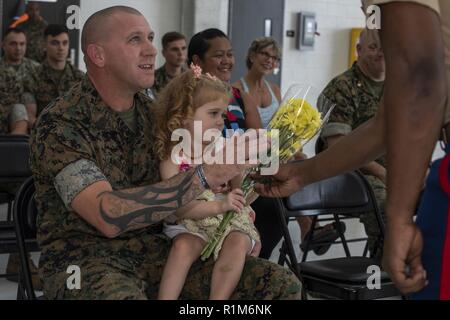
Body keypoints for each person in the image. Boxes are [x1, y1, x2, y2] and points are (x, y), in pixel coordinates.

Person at [29, 6, 301, 299]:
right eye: (135, 40)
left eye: (150, 38)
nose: (150, 50)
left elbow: (213, 170)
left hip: (160, 251)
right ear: (98, 55)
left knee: (279, 285)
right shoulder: (62, 122)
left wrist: (253, 179)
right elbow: (106, 215)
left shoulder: (157, 115)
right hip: (88, 262)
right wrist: (206, 175)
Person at [256, 0, 448, 299]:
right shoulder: (344, 85)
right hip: (373, 173)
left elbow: (418, 81)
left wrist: (400, 217)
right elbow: (387, 125)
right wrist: (300, 173)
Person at [154, 68, 260, 300]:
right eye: (213, 113)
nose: (221, 121)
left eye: (222, 115)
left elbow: (238, 186)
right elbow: (180, 207)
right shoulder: (174, 157)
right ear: (183, 115)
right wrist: (220, 206)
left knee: (238, 242)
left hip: (224, 221)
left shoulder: (222, 147)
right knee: (183, 247)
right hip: (189, 221)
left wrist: (240, 176)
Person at [235, 36, 340, 255]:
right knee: (281, 164)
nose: (270, 60)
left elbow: (286, 123)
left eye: (274, 58)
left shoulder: (274, 89)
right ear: (252, 55)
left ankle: (309, 226)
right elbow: (250, 131)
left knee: (301, 159)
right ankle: (308, 228)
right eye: (265, 54)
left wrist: (294, 148)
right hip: (252, 151)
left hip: (276, 150)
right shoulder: (238, 88)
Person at [188, 29, 285, 259]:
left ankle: (252, 263)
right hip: (201, 182)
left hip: (240, 179)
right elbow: (178, 144)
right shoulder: (185, 94)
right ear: (197, 61)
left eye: (230, 54)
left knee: (275, 200)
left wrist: (276, 160)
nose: (227, 61)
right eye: (218, 55)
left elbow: (261, 142)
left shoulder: (239, 95)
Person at [319, 28, 386, 259]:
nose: (381, 53)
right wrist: (383, 173)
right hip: (352, 174)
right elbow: (339, 148)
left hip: (392, 172)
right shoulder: (341, 87)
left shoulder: (399, 88)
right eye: (373, 47)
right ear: (358, 50)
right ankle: (386, 275)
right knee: (389, 205)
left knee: (437, 194)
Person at [23, 24, 84, 126]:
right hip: (42, 134)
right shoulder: (33, 76)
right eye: (55, 43)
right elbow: (30, 116)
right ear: (44, 45)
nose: (61, 48)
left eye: (65, 43)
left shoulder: (79, 78)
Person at [151, 31, 187, 95]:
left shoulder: (192, 78)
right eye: (175, 49)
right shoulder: (153, 79)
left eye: (183, 48)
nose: (181, 53)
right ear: (164, 53)